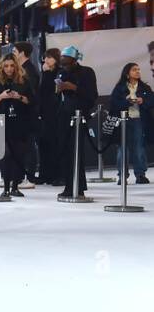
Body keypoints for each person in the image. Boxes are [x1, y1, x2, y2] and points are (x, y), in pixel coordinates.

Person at [55, 45, 98, 199]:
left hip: (78, 117)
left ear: (74, 59)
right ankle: (68, 185)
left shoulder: (87, 72)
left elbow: (92, 95)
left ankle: (78, 187)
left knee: (76, 152)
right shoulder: (61, 73)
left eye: (66, 61)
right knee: (65, 152)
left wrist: (74, 88)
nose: (63, 63)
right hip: (63, 117)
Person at [0, 53, 33, 196]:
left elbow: (31, 100)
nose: (9, 69)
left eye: (12, 66)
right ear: (2, 67)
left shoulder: (23, 81)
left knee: (18, 156)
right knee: (5, 155)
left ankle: (15, 187)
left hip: (20, 123)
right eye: (6, 66)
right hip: (1, 122)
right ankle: (6, 187)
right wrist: (1, 96)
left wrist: (18, 97)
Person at [108, 62, 152, 184]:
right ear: (127, 73)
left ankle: (140, 174)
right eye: (134, 70)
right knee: (122, 149)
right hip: (123, 120)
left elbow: (151, 101)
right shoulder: (119, 88)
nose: (137, 71)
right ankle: (122, 175)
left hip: (139, 120)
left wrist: (143, 101)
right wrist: (127, 102)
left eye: (138, 69)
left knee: (139, 148)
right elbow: (113, 104)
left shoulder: (144, 87)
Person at [12, 41, 40, 187]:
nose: (13, 54)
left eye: (15, 51)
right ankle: (21, 176)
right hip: (21, 113)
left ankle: (29, 177)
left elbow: (32, 94)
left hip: (28, 113)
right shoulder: (22, 69)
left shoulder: (29, 70)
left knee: (29, 146)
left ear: (22, 53)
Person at [37, 48, 62, 185]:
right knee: (43, 145)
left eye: (49, 57)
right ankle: (44, 173)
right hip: (44, 114)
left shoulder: (58, 73)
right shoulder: (44, 73)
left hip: (55, 113)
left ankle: (55, 174)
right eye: (45, 57)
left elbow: (51, 91)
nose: (45, 60)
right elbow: (41, 92)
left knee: (54, 145)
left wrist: (46, 74)